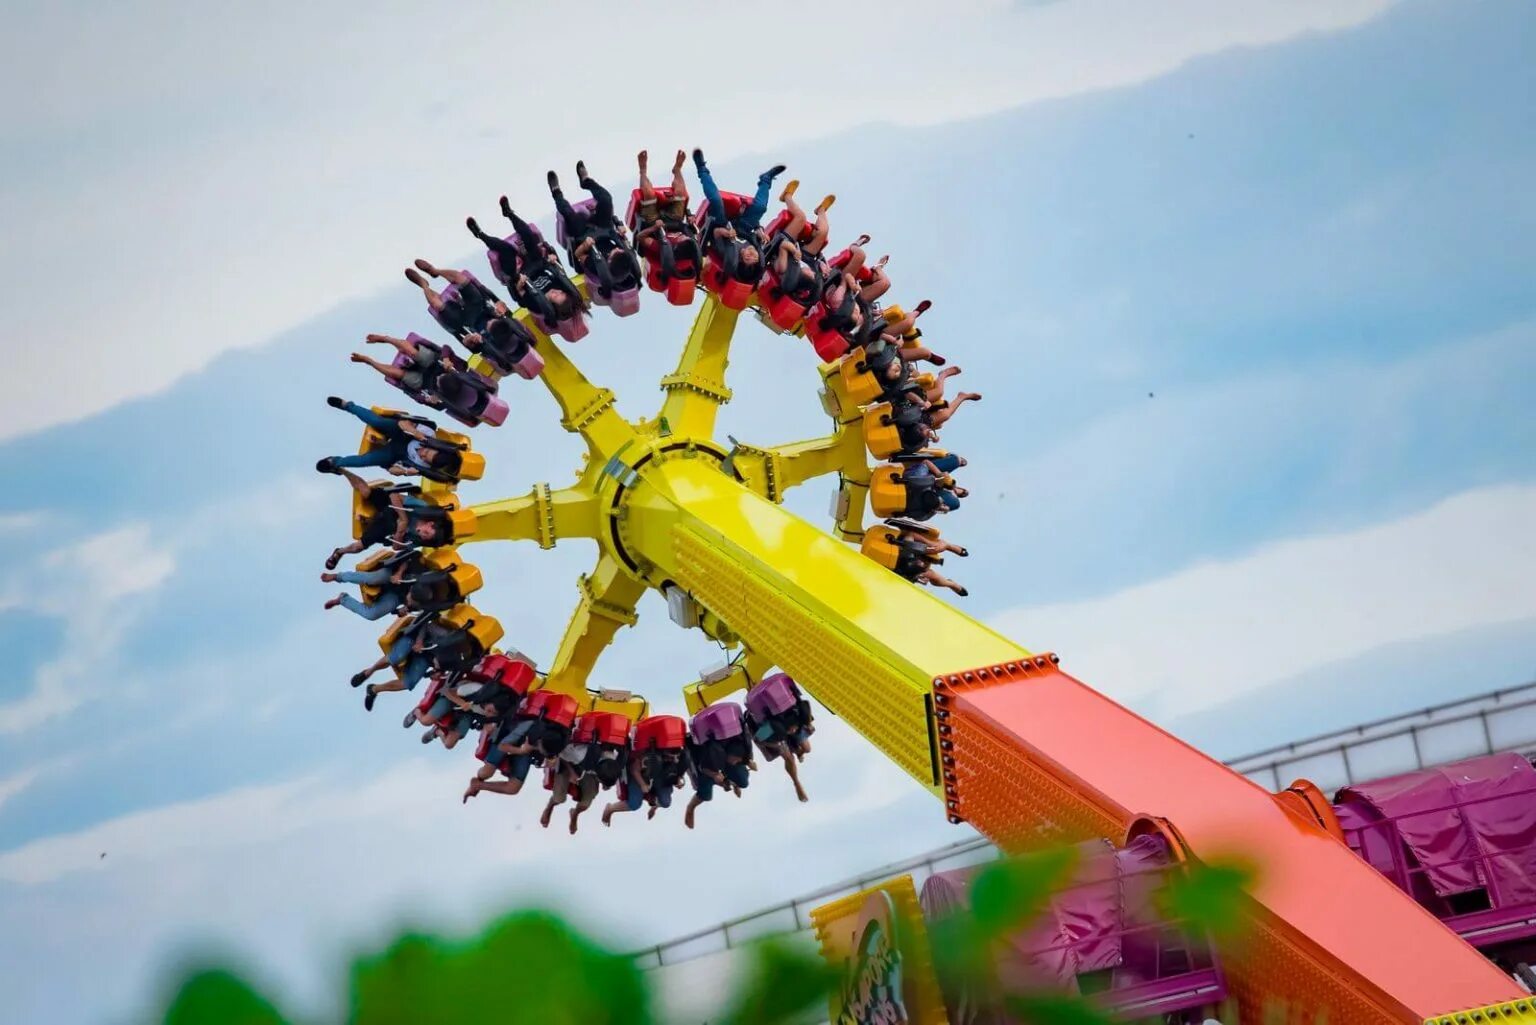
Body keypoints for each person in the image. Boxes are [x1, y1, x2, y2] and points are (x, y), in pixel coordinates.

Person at [467, 201, 587, 326]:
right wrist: (552, 259)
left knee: (505, 249)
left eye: (556, 296)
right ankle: (509, 213)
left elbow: (519, 293)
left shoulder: (537, 304)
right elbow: (558, 270)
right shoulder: (559, 286)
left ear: (552, 305)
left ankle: (480, 234)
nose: (556, 292)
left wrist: (520, 282)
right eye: (561, 293)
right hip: (537, 263)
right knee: (528, 235)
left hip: (520, 274)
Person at [692, 147, 786, 285]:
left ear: (741, 260)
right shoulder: (754, 248)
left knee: (716, 200)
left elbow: (716, 233)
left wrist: (726, 232)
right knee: (761, 208)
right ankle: (766, 179)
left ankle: (701, 168)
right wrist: (760, 230)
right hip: (744, 228)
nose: (751, 254)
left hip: (721, 225)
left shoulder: (728, 252)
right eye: (754, 257)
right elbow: (755, 229)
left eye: (748, 258)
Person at [315, 397, 466, 482]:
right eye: (427, 452)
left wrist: (405, 472)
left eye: (425, 458)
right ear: (435, 447)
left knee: (365, 461)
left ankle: (334, 462)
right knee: (377, 422)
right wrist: (414, 432)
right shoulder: (428, 433)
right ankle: (347, 405)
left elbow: (392, 470)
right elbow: (403, 424)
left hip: (396, 453)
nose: (422, 455)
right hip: (401, 432)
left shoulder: (421, 467)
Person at [548, 164, 640, 299]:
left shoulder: (596, 266)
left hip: (583, 235)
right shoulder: (625, 260)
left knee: (568, 213)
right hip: (604, 229)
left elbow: (578, 255)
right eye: (620, 251)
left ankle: (556, 193)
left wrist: (585, 246)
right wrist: (620, 229)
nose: (618, 250)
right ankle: (586, 181)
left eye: (616, 252)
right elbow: (623, 242)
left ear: (609, 260)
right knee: (606, 200)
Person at [633, 148, 700, 285]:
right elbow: (691, 230)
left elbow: (641, 237)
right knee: (681, 192)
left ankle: (643, 171)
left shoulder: (661, 247)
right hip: (674, 219)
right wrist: (689, 216)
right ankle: (677, 170)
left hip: (654, 222)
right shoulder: (689, 242)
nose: (683, 240)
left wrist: (654, 228)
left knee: (650, 195)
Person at [403, 261, 508, 340]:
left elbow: (465, 341)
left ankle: (423, 284)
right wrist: (499, 305)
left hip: (465, 321)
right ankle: (434, 271)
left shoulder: (489, 341)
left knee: (436, 304)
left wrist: (469, 340)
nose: (491, 323)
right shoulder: (507, 324)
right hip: (479, 306)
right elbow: (502, 308)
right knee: (460, 277)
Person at [321, 548, 427, 622]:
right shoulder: (421, 570)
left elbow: (414, 608)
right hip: (393, 572)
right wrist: (399, 573)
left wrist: (404, 609)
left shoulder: (426, 600)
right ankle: (337, 577)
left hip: (396, 595)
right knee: (373, 579)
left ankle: (342, 599)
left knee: (371, 615)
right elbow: (410, 555)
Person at [601, 741, 686, 826]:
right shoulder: (648, 754)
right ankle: (610, 808)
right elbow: (634, 769)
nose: (675, 760)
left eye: (676, 757)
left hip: (659, 778)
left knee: (665, 802)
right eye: (671, 757)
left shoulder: (678, 757)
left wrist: (677, 779)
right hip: (641, 775)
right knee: (635, 804)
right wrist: (642, 784)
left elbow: (678, 771)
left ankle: (654, 800)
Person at [683, 731, 755, 830]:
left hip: (727, 750)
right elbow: (702, 768)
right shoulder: (715, 754)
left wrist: (747, 761)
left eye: (738, 760)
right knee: (706, 793)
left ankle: (732, 781)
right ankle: (691, 808)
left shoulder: (742, 746)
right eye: (735, 759)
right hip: (705, 762)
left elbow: (740, 756)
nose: (736, 762)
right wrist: (714, 775)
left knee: (743, 781)